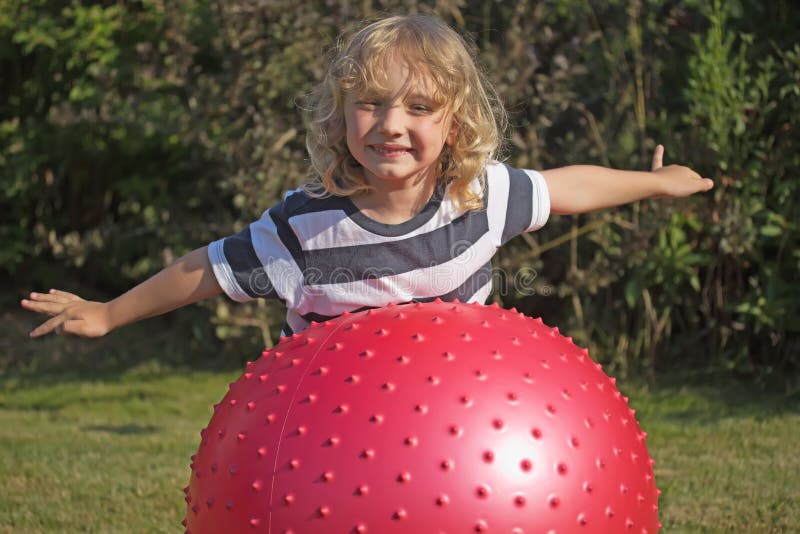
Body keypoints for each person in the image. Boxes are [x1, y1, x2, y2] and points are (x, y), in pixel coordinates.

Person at [21, 14, 713, 339]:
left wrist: (654, 182)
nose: (390, 124)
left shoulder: (478, 196)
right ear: (342, 115)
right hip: (333, 443)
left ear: (455, 124)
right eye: (371, 104)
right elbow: (203, 271)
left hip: (458, 424)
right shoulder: (304, 227)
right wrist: (109, 313)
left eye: (419, 108)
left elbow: (568, 187)